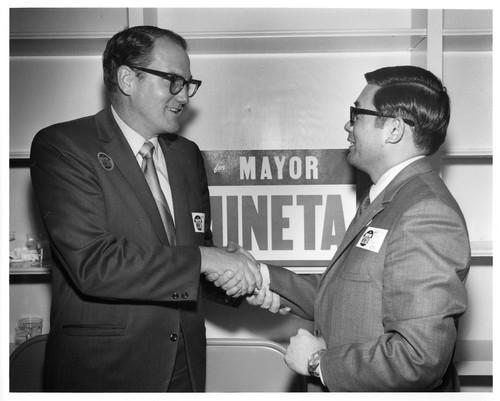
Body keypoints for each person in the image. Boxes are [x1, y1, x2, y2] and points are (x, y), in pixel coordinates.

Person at [30, 25, 261, 392]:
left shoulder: (186, 156)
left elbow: (194, 254)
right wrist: (207, 259)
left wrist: (250, 283)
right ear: (127, 79)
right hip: (103, 372)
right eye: (173, 80)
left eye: (189, 83)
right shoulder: (64, 146)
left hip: (184, 369)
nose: (184, 95)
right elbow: (94, 261)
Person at [212, 65, 471, 391]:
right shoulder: (389, 197)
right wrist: (262, 277)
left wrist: (318, 363)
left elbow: (418, 358)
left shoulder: (426, 213)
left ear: (393, 129)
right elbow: (347, 293)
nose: (348, 125)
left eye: (357, 113)